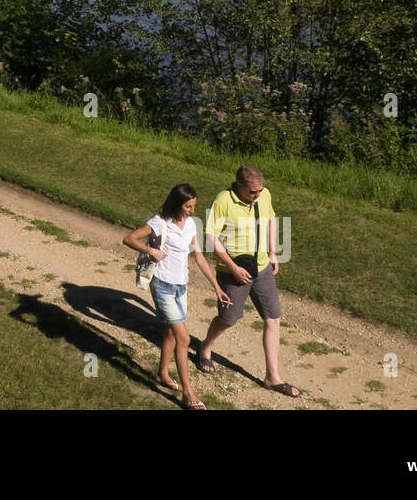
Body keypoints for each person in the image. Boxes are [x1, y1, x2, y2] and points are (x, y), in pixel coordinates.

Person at [197, 165, 299, 398]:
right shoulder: (223, 200)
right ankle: (206, 347)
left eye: (260, 190)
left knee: (273, 318)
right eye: (253, 191)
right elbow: (211, 236)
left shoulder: (265, 195)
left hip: (261, 267)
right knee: (228, 318)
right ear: (240, 186)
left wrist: (273, 253)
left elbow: (272, 220)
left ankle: (272, 378)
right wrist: (233, 267)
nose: (258, 195)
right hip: (233, 271)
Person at [124, 184, 230, 410]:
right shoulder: (159, 223)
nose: (192, 210)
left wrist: (216, 287)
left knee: (172, 332)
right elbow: (129, 238)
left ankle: (162, 373)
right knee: (184, 339)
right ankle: (188, 392)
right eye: (188, 206)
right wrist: (150, 251)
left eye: (194, 206)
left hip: (181, 286)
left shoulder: (191, 223)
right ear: (177, 204)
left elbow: (199, 257)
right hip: (162, 285)